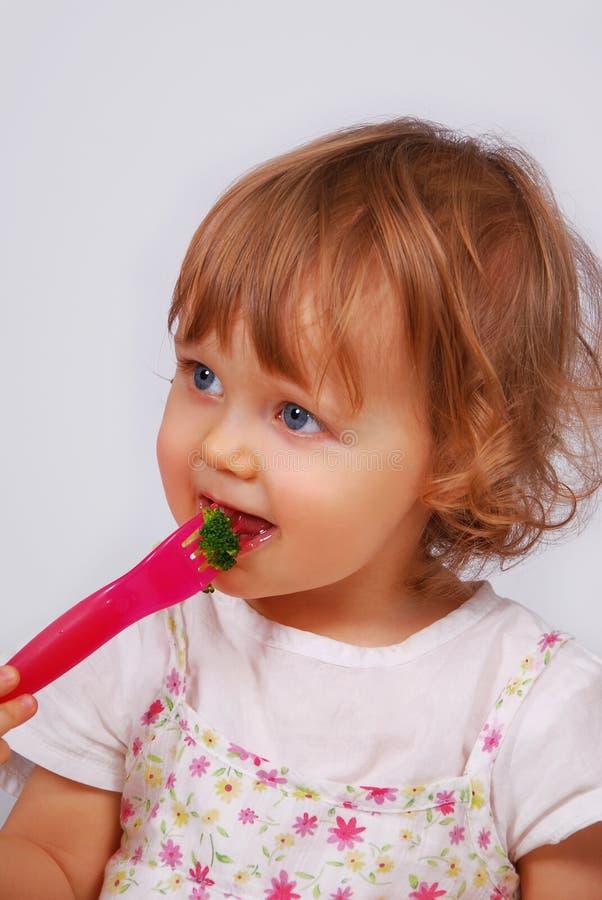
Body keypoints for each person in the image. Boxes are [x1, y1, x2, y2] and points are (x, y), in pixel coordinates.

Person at [0, 117, 601, 900]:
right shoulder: (143, 650)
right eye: (203, 375)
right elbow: (45, 860)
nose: (220, 449)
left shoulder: (537, 708)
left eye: (294, 415)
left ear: (454, 454)